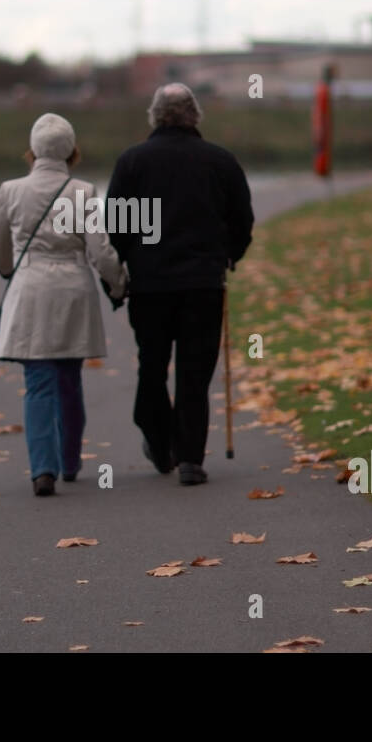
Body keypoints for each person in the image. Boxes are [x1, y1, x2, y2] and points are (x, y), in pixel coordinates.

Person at [107, 84, 253, 486]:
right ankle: (190, 457)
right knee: (194, 370)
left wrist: (123, 268)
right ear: (195, 116)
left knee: (151, 366)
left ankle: (158, 437)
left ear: (154, 116)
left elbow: (116, 228)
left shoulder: (132, 162)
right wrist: (230, 256)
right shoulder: (220, 162)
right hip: (203, 282)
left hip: (149, 284)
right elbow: (242, 219)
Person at [0, 114, 127, 497]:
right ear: (72, 151)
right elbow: (100, 249)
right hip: (72, 290)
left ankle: (42, 470)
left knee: (37, 383)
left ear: (32, 150)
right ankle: (70, 461)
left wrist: (7, 270)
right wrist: (117, 285)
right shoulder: (81, 191)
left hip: (30, 288)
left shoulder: (10, 190)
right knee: (70, 379)